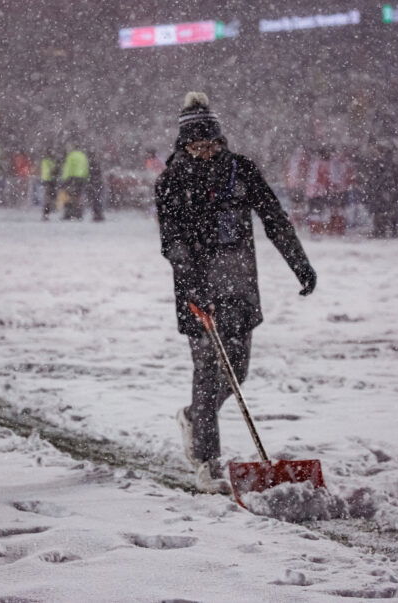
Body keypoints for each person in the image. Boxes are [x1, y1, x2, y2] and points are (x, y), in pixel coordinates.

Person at [155, 92, 318, 494]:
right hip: (197, 287)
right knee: (209, 372)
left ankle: (194, 417)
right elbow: (172, 241)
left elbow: (274, 220)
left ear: (221, 140)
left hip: (240, 284)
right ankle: (208, 461)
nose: (204, 153)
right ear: (183, 144)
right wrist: (193, 285)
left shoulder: (241, 171)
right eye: (196, 146)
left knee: (237, 371)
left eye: (210, 144)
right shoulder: (171, 182)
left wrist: (299, 264)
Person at [59, 143, 89, 220]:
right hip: (81, 178)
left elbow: (68, 167)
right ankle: (78, 213)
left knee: (69, 196)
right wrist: (85, 177)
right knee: (78, 196)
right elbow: (86, 167)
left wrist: (65, 178)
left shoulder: (71, 155)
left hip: (71, 177)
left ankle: (68, 214)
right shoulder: (83, 156)